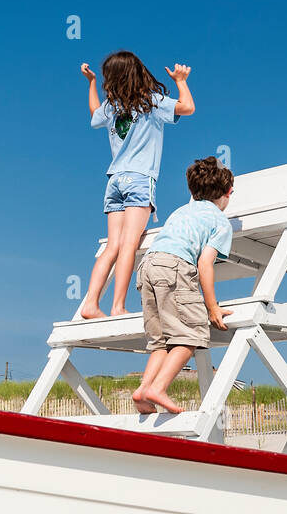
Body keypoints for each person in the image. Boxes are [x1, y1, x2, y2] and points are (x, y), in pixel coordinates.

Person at [78, 52, 194, 318]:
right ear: (138, 72)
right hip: (139, 179)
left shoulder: (111, 107)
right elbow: (188, 108)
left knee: (113, 246)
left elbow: (94, 112)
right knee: (130, 244)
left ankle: (91, 303)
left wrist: (91, 83)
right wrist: (181, 80)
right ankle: (118, 306)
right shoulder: (151, 102)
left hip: (114, 180)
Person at [132, 157, 235, 414]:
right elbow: (205, 265)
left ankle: (143, 390)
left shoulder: (181, 211)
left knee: (160, 342)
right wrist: (212, 307)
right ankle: (158, 388)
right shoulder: (221, 223)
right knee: (191, 332)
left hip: (147, 267)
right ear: (226, 193)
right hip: (174, 267)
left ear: (192, 191)